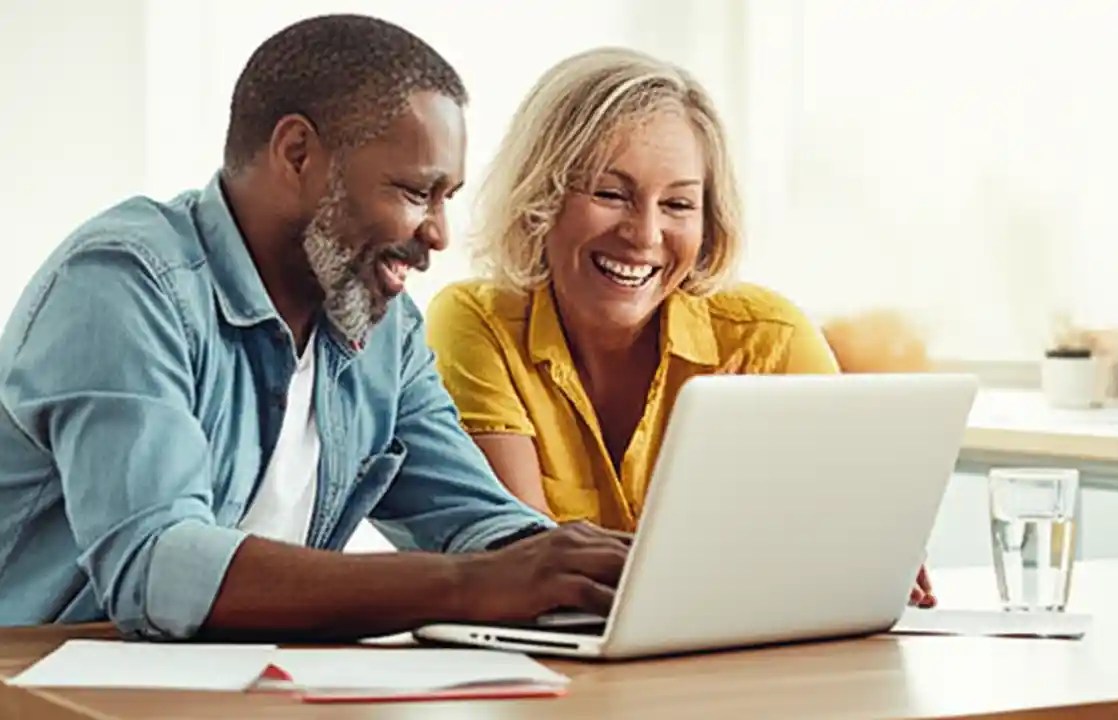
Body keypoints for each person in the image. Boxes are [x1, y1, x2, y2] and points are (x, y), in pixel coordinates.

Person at [0, 14, 628, 641]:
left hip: (235, 687)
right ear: (297, 153)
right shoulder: (126, 283)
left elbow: (475, 521)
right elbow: (158, 567)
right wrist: (470, 584)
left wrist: (599, 574)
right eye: (416, 192)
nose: (437, 234)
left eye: (447, 199)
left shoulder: (383, 328)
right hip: (42, 685)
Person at [427, 48, 934, 607]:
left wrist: (868, 551)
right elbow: (534, 567)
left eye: (678, 204)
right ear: (540, 197)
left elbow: (846, 542)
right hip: (553, 668)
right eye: (610, 194)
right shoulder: (477, 323)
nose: (645, 235)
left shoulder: (770, 339)